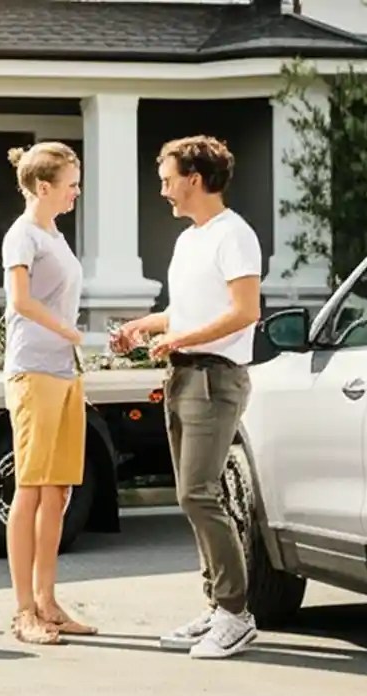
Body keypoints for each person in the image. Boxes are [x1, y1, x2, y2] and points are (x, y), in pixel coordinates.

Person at [110, 135, 262, 659]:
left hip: (215, 378)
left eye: (168, 179)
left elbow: (246, 312)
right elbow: (186, 311)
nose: (163, 190)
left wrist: (180, 339)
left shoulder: (234, 235)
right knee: (194, 496)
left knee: (200, 494)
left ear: (195, 179)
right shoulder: (190, 240)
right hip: (183, 374)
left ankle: (236, 614)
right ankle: (217, 606)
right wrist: (142, 327)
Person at [0, 141, 97, 645]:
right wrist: (73, 331)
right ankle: (23, 612)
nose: (76, 192)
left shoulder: (54, 234)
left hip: (64, 372)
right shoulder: (22, 237)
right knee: (31, 490)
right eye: (71, 184)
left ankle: (48, 601)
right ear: (44, 187)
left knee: (58, 491)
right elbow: (18, 301)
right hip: (33, 370)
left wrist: (71, 343)